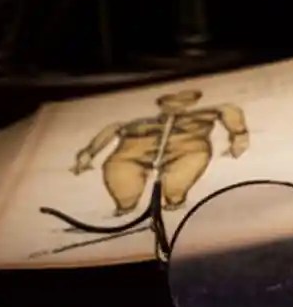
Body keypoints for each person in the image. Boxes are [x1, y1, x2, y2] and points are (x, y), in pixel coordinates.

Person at [71, 89, 249, 216]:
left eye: (183, 101)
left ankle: (175, 208)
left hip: (185, 153)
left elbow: (227, 110)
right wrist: (89, 153)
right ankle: (125, 213)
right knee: (125, 198)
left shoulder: (202, 116)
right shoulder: (141, 123)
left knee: (174, 192)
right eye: (169, 102)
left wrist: (240, 135)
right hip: (131, 157)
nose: (175, 105)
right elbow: (113, 128)